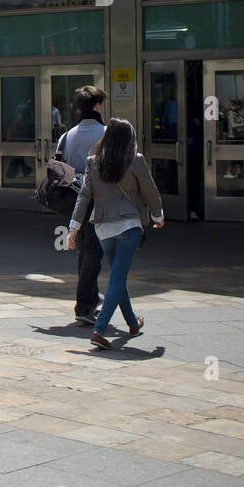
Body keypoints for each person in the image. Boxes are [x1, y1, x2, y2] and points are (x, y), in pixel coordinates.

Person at [68, 118, 165, 349]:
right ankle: (99, 330)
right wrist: (158, 216)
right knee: (118, 278)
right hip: (129, 225)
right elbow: (150, 191)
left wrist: (74, 227)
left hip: (103, 227)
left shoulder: (93, 162)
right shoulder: (136, 160)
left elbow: (84, 197)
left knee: (117, 278)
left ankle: (132, 323)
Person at [56, 85, 107, 326]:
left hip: (75, 200)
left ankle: (90, 297)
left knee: (84, 249)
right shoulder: (107, 134)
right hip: (100, 199)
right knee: (94, 252)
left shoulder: (67, 136)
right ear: (97, 106)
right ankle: (84, 304)